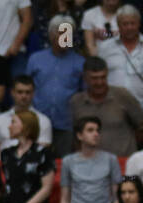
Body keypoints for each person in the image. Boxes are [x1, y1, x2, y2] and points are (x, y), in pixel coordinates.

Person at [60, 116, 122, 203]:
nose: (96, 134)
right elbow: (64, 200)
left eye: (97, 131)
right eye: (90, 130)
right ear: (79, 135)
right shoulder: (68, 162)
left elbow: (117, 197)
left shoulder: (110, 159)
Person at [27, 15, 86, 157]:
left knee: (64, 163)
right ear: (51, 34)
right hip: (37, 122)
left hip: (66, 123)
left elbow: (84, 94)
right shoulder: (35, 59)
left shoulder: (81, 62)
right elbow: (25, 88)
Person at [99, 5, 143, 117]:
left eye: (133, 23)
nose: (129, 27)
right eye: (125, 24)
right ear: (118, 25)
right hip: (112, 109)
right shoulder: (105, 48)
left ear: (139, 24)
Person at [69, 57, 143, 162]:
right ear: (85, 78)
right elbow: (75, 137)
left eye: (103, 77)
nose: (99, 82)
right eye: (94, 78)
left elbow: (142, 127)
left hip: (124, 163)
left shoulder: (123, 95)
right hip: (91, 165)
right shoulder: (76, 102)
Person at [0, 110, 55, 203]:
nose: (9, 126)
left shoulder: (42, 153)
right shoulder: (7, 154)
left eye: (13, 122)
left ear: (25, 125)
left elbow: (46, 188)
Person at [0, 75, 52, 158]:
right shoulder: (0, 119)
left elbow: (43, 152)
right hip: (3, 167)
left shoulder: (43, 120)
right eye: (20, 92)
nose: (24, 96)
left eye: (27, 92)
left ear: (33, 94)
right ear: (12, 92)